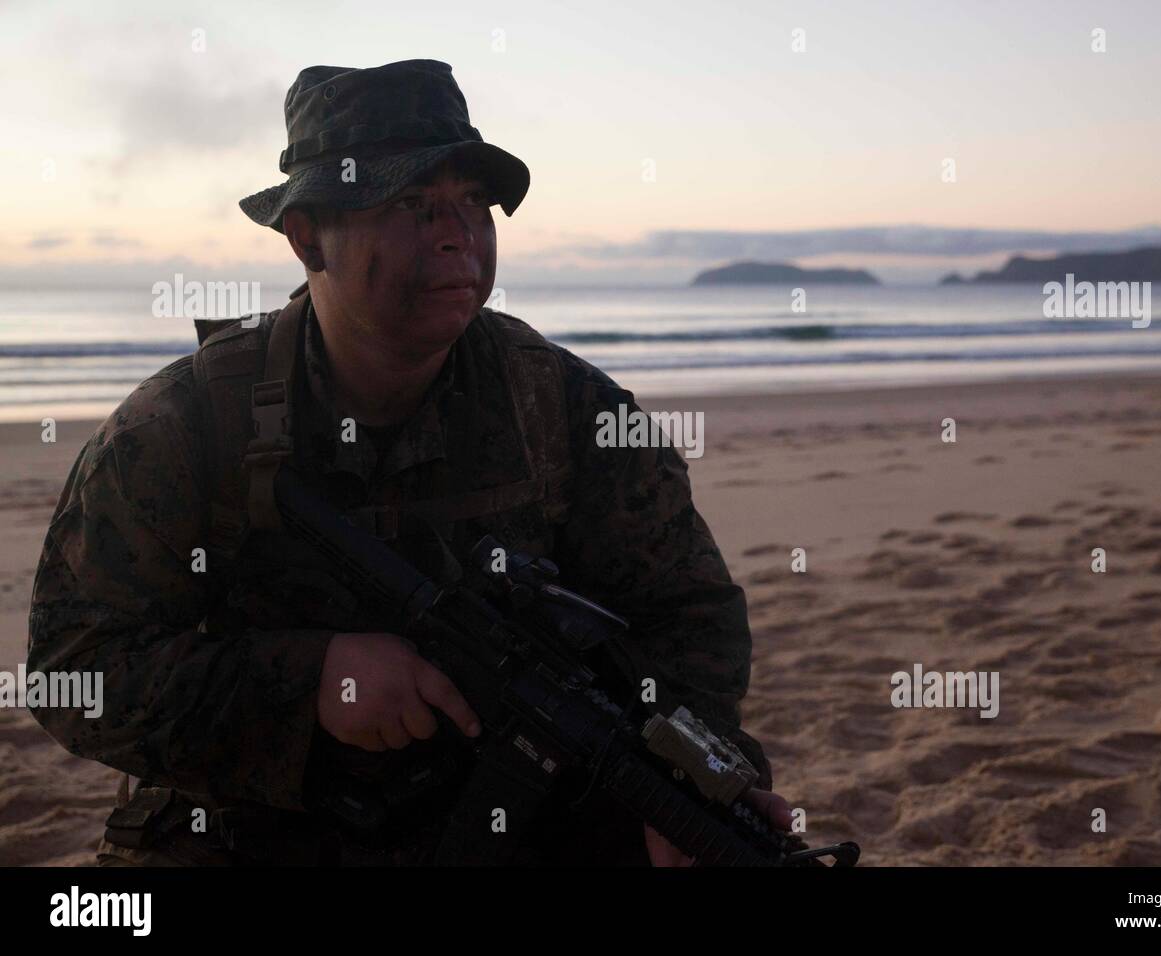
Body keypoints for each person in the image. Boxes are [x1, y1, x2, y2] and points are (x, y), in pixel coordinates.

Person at [27, 58, 789, 866]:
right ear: (307, 236)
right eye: (411, 204)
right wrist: (311, 683)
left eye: (473, 204)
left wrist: (695, 779)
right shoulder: (184, 427)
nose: (457, 233)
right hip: (261, 821)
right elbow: (74, 670)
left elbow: (688, 614)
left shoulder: (565, 410)